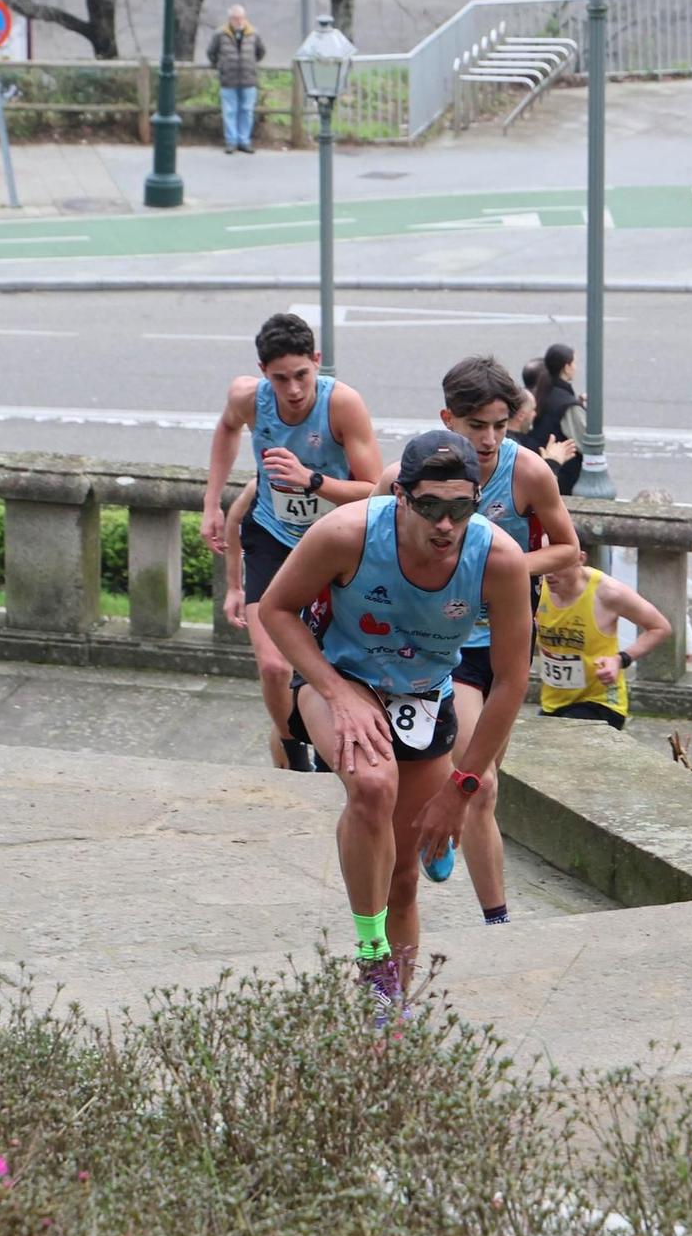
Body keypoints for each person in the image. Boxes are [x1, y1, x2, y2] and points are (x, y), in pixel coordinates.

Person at [259, 432, 531, 1026]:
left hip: (423, 696)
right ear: (402, 497)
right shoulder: (347, 534)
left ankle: (389, 1012)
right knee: (373, 785)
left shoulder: (499, 558)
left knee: (406, 877)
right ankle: (371, 953)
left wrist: (461, 790)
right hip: (342, 679)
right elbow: (275, 609)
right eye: (430, 506)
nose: (445, 524)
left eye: (461, 508)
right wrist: (334, 692)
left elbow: (511, 681)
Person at [369, 356, 581, 924]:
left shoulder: (528, 473)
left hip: (505, 641)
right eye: (475, 426)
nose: (488, 440)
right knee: (478, 783)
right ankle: (497, 916)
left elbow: (568, 548)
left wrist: (503, 571)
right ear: (447, 419)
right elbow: (371, 550)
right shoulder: (406, 479)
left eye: (499, 425)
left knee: (486, 788)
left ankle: (477, 890)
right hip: (444, 644)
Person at [202, 313, 381, 770]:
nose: (295, 390)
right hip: (273, 536)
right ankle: (293, 748)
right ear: (263, 372)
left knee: (334, 659)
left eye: (302, 375)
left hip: (332, 544)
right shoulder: (249, 398)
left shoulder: (343, 405)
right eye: (281, 379)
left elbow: (376, 490)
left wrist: (312, 480)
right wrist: (212, 504)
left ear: (317, 361)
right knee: (276, 666)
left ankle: (331, 731)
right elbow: (225, 429)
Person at [534, 550, 671, 730]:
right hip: (553, 701)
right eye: (545, 563)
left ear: (580, 558)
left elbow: (660, 627)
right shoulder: (535, 588)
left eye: (558, 564)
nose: (549, 573)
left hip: (602, 702)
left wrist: (620, 659)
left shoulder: (607, 592)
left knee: (565, 742)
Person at [526, 344, 586, 495]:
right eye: (574, 363)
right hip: (563, 476)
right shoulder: (567, 404)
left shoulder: (542, 391)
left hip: (538, 465)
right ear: (566, 367)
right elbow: (586, 444)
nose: (576, 367)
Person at [208, 5, 266, 155]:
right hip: (228, 79)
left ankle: (244, 141)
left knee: (246, 111)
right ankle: (231, 141)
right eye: (235, 18)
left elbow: (261, 52)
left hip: (248, 79)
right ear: (230, 19)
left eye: (241, 18)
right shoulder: (220, 34)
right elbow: (211, 52)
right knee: (229, 111)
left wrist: (250, 65)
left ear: (245, 18)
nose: (238, 21)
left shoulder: (254, 33)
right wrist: (221, 66)